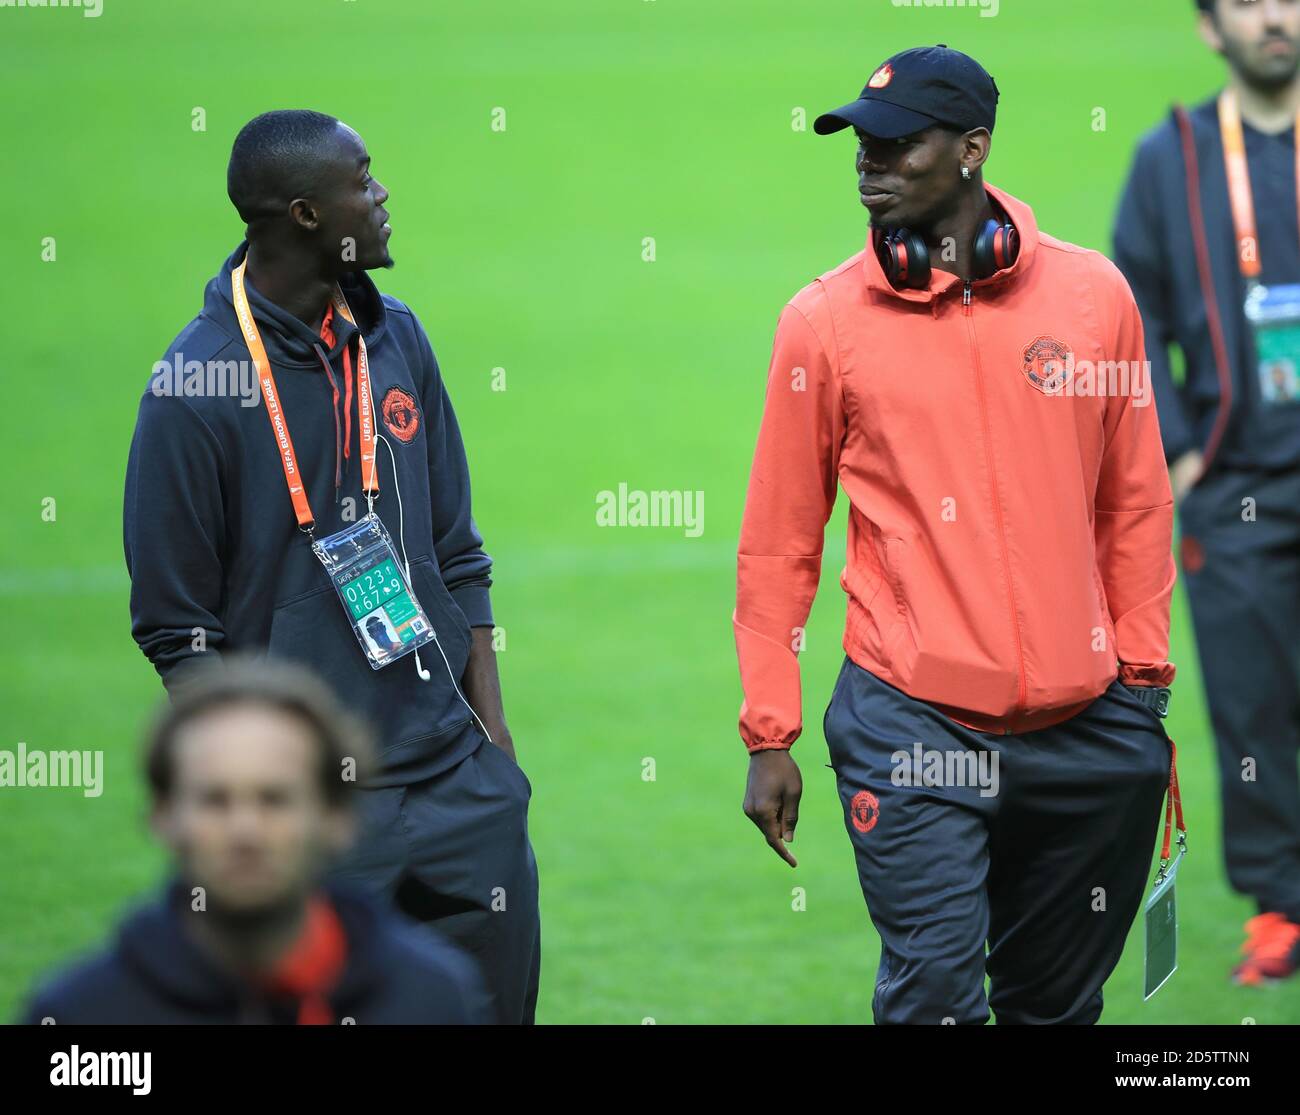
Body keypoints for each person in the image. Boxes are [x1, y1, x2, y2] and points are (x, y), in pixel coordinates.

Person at [735, 45, 1177, 1024]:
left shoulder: (1093, 296)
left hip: (1090, 727)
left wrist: (1139, 683)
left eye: (898, 145)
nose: (870, 163)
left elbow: (1134, 499)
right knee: (933, 995)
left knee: (1054, 1006)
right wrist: (771, 730)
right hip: (912, 725)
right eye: (862, 143)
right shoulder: (822, 324)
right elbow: (779, 538)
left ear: (972, 149)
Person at [123, 110, 539, 1022]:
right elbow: (176, 632)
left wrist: (493, 741)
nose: (383, 196)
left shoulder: (399, 341)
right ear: (307, 213)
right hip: (324, 820)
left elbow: (460, 553)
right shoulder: (195, 390)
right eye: (364, 180)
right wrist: (262, 808)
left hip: (460, 787)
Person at [1113, 0, 1300, 984]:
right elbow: (1128, 304)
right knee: (1251, 704)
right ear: (1208, 27)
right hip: (1234, 484)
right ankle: (1282, 905)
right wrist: (1177, 449)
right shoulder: (1172, 156)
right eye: (1247, 2)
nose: (1273, 16)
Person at [21, 658, 487, 1024]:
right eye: (215, 801)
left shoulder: (429, 999)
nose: (245, 831)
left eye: (275, 799)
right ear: (163, 816)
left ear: (336, 816)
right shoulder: (81, 1018)